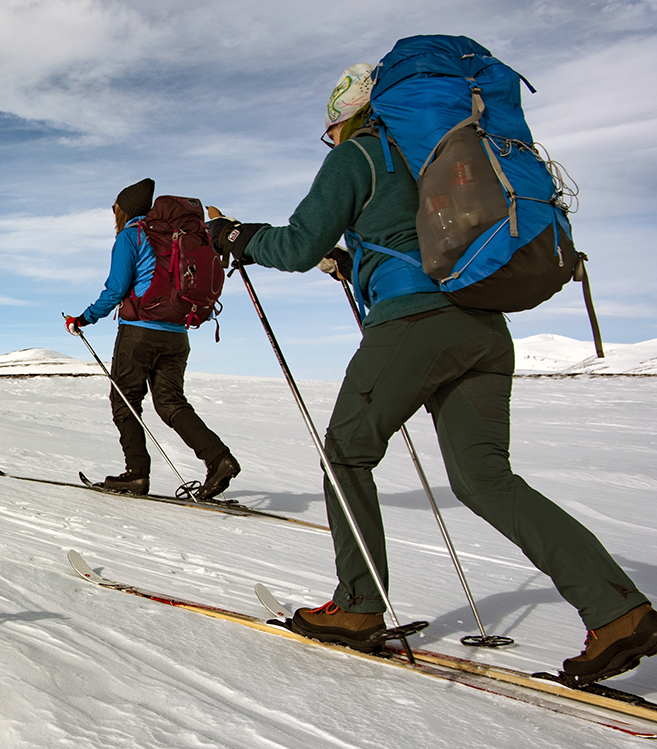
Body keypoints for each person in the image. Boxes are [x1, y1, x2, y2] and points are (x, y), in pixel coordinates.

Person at [208, 63, 656, 687]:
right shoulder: (442, 154)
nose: (330, 139)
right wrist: (352, 262)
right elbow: (410, 236)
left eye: (330, 129)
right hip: (483, 326)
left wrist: (239, 235)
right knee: (485, 478)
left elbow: (295, 246)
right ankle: (618, 611)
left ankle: (359, 605)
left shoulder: (359, 154)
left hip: (415, 323)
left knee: (346, 453)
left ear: (347, 118)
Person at [65, 178, 241, 502]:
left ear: (123, 210)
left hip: (140, 332)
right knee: (171, 402)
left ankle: (136, 473)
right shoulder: (175, 235)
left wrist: (83, 318)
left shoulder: (131, 235)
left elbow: (116, 290)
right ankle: (219, 459)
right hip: (178, 334)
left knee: (125, 400)